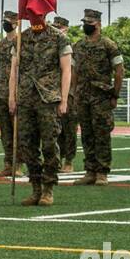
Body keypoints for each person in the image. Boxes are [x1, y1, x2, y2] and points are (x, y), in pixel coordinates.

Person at [9, 10, 70, 204]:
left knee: (50, 144)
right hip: (26, 97)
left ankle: (48, 188)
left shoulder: (58, 38)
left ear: (44, 15)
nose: (35, 19)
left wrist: (64, 100)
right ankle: (35, 188)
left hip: (48, 98)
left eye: (38, 15)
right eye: (32, 16)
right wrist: (12, 96)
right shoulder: (21, 39)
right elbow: (14, 69)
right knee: (27, 144)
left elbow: (66, 69)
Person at [70, 8, 123, 186]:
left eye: (90, 23)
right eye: (85, 23)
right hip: (83, 95)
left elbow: (119, 71)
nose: (86, 26)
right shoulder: (78, 46)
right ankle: (90, 170)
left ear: (98, 24)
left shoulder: (109, 45)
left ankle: (102, 171)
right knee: (86, 134)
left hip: (101, 96)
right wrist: (73, 92)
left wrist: (115, 94)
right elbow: (74, 71)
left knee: (101, 133)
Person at [0, 10, 18, 178]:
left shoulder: (22, 42)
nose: (5, 24)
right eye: (4, 21)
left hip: (17, 93)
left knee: (18, 131)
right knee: (5, 131)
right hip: (2, 92)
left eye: (8, 21)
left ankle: (18, 164)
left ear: (16, 23)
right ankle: (8, 164)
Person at [52, 15, 79, 171]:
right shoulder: (51, 47)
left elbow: (75, 73)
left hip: (70, 94)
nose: (57, 30)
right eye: (55, 26)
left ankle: (68, 161)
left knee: (69, 129)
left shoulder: (72, 48)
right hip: (53, 93)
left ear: (66, 29)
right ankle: (56, 159)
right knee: (55, 130)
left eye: (59, 27)